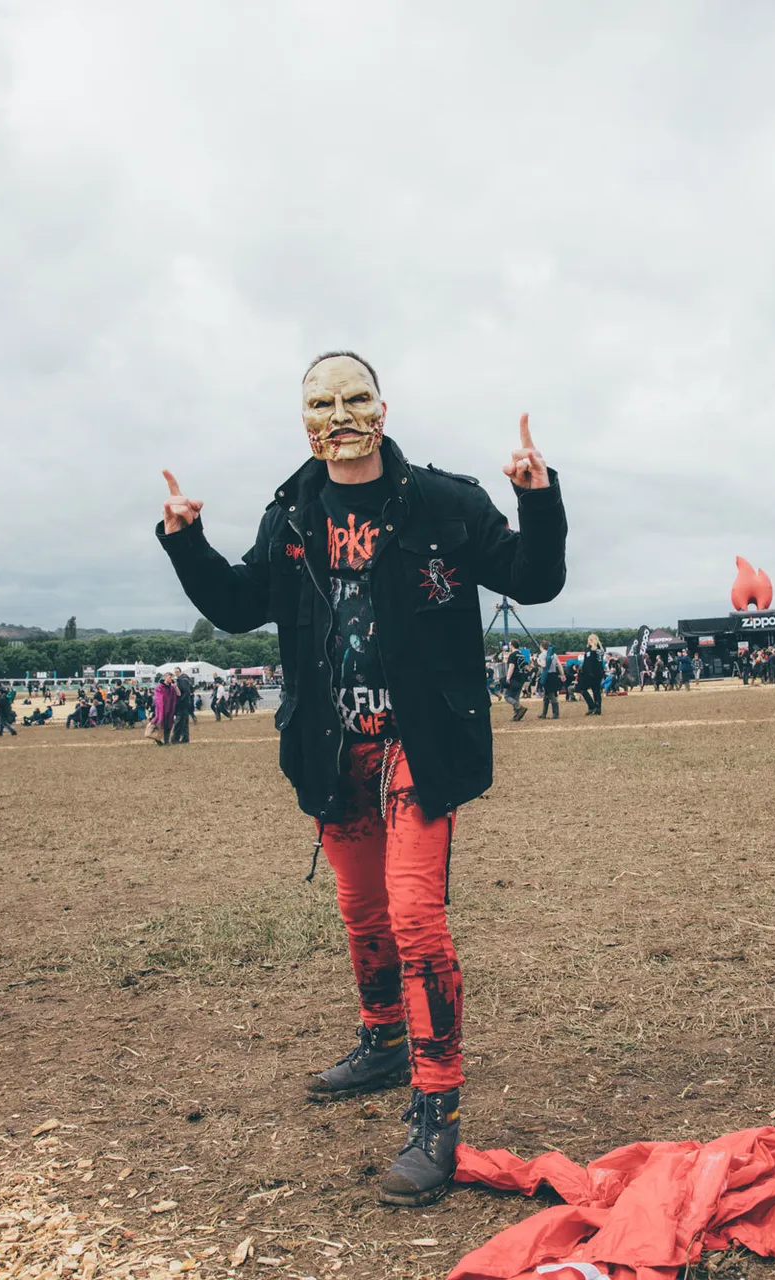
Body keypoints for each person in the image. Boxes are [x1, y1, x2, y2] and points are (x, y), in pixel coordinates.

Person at [156, 350, 565, 1207]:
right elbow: (237, 605)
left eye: (354, 397)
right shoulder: (294, 510)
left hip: (421, 741)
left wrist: (537, 495)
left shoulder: (445, 503)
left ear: (384, 405)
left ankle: (437, 1110)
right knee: (360, 908)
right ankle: (382, 1038)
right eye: (319, 401)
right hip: (334, 747)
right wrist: (185, 540)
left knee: (416, 915)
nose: (338, 415)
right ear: (301, 416)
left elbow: (536, 578)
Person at [579, 636, 605, 716]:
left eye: (588, 640)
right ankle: (598, 709)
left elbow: (588, 664)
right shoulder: (600, 651)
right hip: (599, 673)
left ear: (591, 641)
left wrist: (584, 672)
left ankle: (592, 706)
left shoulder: (590, 652)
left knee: (582, 689)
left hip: (591, 674)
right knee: (596, 691)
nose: (587, 642)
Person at [537, 640, 562, 719]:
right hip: (554, 675)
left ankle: (556, 713)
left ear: (542, 647)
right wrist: (563, 674)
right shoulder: (554, 655)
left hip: (546, 675)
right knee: (547, 695)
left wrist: (538, 661)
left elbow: (543, 665)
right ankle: (544, 714)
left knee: (551, 694)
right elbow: (559, 665)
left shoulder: (542, 655)